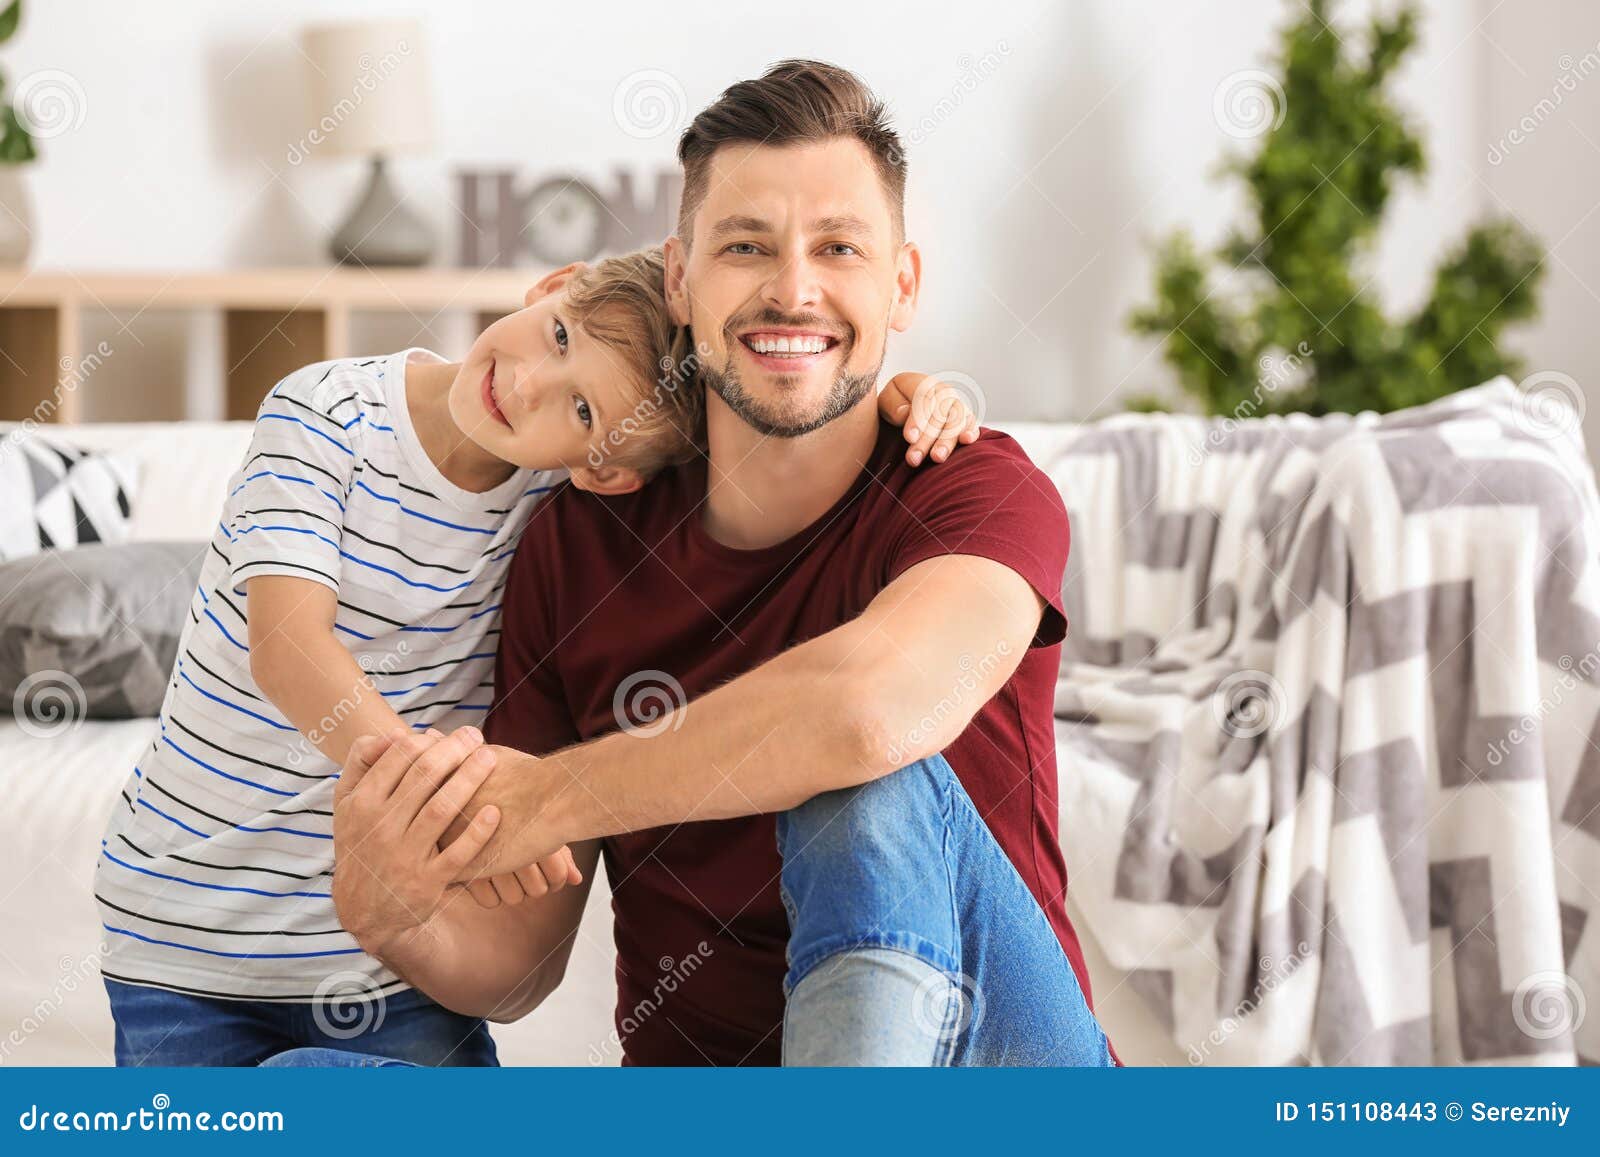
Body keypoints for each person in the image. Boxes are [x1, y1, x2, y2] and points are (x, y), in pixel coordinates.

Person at [330, 60, 1119, 1068]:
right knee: (321, 1082)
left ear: (902, 284)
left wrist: (548, 796)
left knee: (860, 784)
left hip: (1006, 1081)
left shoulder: (975, 491)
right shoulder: (577, 546)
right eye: (746, 246)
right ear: (679, 280)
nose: (792, 288)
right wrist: (387, 906)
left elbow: (865, 713)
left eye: (838, 248)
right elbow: (519, 963)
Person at [94, 244, 970, 1067]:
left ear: (603, 470)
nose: (529, 384)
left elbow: (769, 449)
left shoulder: (559, 504)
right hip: (185, 937)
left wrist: (903, 397)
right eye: (558, 338)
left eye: (582, 409)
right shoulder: (324, 412)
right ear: (554, 284)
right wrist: (468, 802)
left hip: (392, 973)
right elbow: (287, 649)